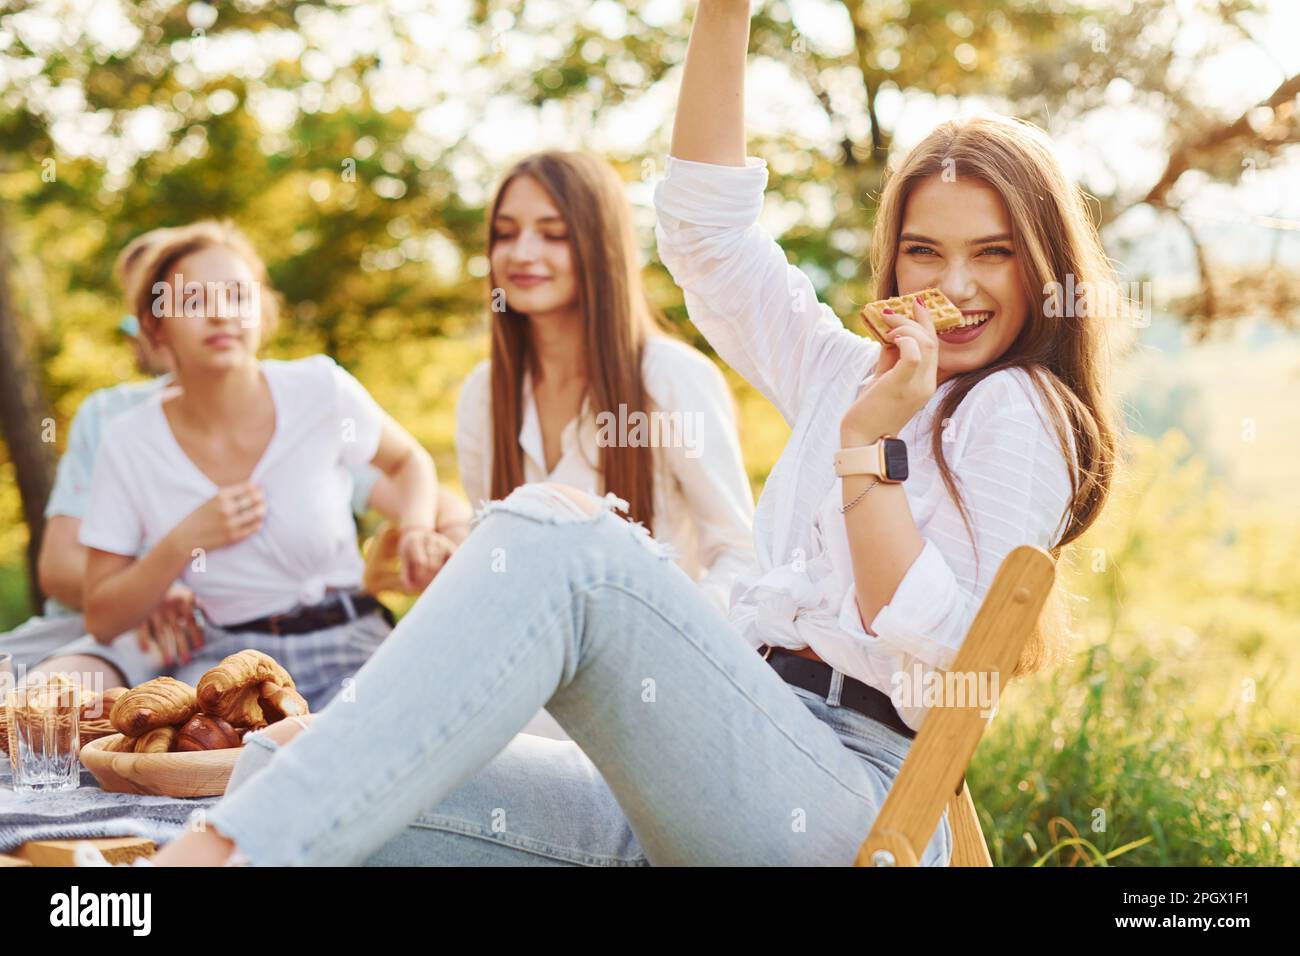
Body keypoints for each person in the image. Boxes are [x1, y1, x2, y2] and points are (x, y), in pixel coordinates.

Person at [148, 0, 1121, 867]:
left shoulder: (1019, 405)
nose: (953, 287)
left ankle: (190, 870)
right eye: (924, 250)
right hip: (719, 756)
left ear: (1041, 267)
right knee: (286, 761)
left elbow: (947, 661)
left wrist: (872, 448)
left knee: (559, 534)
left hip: (842, 796)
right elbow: (707, 236)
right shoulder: (845, 371)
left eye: (991, 254)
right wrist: (724, 13)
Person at [67, 220, 451, 711]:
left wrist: (417, 527)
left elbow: (407, 459)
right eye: (193, 302)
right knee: (205, 769)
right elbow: (102, 617)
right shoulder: (128, 442)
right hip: (224, 670)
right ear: (155, 326)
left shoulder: (320, 389)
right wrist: (184, 541)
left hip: (353, 652)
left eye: (237, 296)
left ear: (262, 312)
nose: (221, 315)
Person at [456, 150, 755, 738]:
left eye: (554, 234)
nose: (522, 254)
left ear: (599, 246)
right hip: (523, 695)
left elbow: (743, 557)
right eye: (505, 233)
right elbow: (487, 564)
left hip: (651, 702)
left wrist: (665, 641)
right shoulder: (484, 394)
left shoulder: (670, 378)